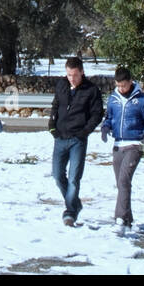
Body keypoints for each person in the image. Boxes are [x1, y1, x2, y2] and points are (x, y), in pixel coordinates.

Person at [99, 67, 144, 235]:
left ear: (130, 82)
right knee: (121, 184)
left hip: (134, 145)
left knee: (124, 180)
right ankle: (129, 220)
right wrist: (105, 128)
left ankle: (120, 219)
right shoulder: (113, 99)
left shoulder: (142, 100)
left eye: (124, 85)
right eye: (118, 85)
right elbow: (109, 118)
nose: (121, 88)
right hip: (118, 145)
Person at [48, 56, 103, 227]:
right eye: (69, 75)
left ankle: (70, 212)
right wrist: (51, 126)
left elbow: (97, 114)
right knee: (57, 175)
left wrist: (85, 132)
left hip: (78, 140)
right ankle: (75, 203)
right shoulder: (62, 85)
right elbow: (55, 105)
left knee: (73, 178)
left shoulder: (91, 90)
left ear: (82, 72)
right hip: (60, 138)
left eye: (75, 75)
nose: (72, 78)